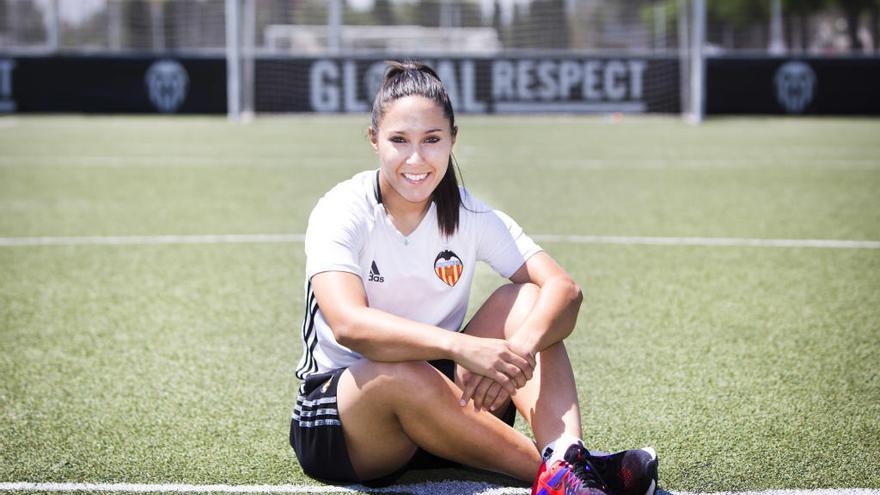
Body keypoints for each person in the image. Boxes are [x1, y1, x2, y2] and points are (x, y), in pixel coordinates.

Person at [289, 60, 659, 495]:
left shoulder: (469, 213)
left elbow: (565, 291)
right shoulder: (343, 209)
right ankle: (569, 477)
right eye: (398, 140)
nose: (415, 158)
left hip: (446, 407)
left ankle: (565, 455)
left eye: (431, 140)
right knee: (402, 372)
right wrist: (464, 348)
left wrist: (514, 353)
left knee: (527, 301)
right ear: (373, 140)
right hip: (348, 418)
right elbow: (350, 325)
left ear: (452, 139)